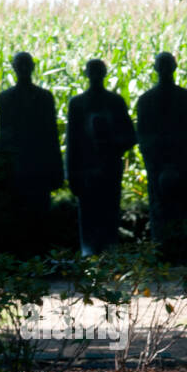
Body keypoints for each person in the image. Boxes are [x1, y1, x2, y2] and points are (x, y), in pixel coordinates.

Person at [66, 59, 135, 256]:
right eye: (92, 71)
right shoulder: (77, 104)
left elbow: (130, 136)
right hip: (85, 170)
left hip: (109, 169)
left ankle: (109, 254)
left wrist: (111, 142)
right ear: (87, 74)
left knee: (109, 214)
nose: (95, 75)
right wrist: (70, 174)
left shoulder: (115, 102)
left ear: (104, 73)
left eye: (99, 71)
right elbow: (72, 142)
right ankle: (89, 255)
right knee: (88, 215)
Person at [0, 52, 63, 233]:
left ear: (32, 67)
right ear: (14, 68)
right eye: (20, 65)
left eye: (27, 64)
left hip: (39, 168)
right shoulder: (4, 99)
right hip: (15, 169)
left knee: (40, 219)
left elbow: (51, 135)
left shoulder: (45, 98)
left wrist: (57, 169)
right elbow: (1, 137)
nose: (24, 69)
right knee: (17, 221)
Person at [135, 51, 187, 243]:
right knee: (171, 209)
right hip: (171, 164)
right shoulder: (185, 98)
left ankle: (166, 249)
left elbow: (144, 138)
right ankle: (172, 247)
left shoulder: (146, 99)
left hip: (168, 164)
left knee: (165, 209)